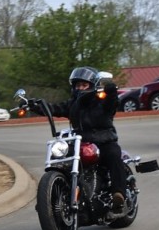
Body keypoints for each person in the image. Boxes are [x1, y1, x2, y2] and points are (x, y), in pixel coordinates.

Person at [31, 66, 128, 215]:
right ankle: (50, 199)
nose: (80, 88)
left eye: (84, 85)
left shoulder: (102, 101)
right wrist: (36, 106)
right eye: (78, 85)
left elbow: (112, 104)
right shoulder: (73, 104)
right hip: (80, 143)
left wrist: (111, 91)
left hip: (104, 141)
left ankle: (118, 194)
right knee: (63, 162)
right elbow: (54, 108)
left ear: (92, 85)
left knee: (113, 154)